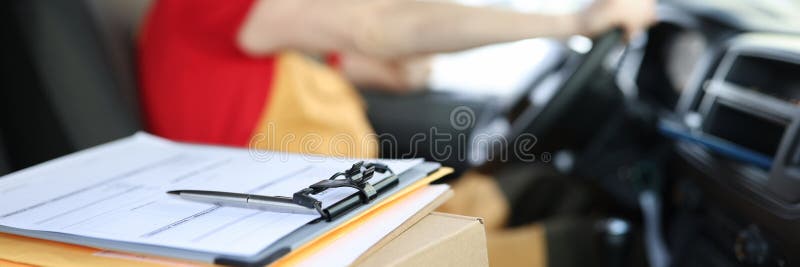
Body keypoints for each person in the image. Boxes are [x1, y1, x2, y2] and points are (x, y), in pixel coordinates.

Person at [138, 0, 655, 266]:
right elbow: (377, 28)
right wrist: (573, 21)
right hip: (313, 247)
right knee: (599, 246)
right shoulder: (208, 7)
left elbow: (403, 69)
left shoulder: (284, 33)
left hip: (357, 214)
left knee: (547, 189)